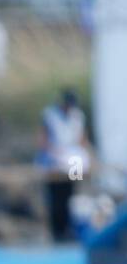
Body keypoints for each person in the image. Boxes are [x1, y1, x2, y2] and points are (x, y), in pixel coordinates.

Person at [38, 89, 92, 242]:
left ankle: (69, 228)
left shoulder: (78, 116)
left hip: (72, 157)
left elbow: (82, 139)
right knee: (56, 198)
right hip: (54, 157)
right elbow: (43, 140)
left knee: (71, 194)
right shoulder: (50, 116)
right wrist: (54, 152)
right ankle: (57, 232)